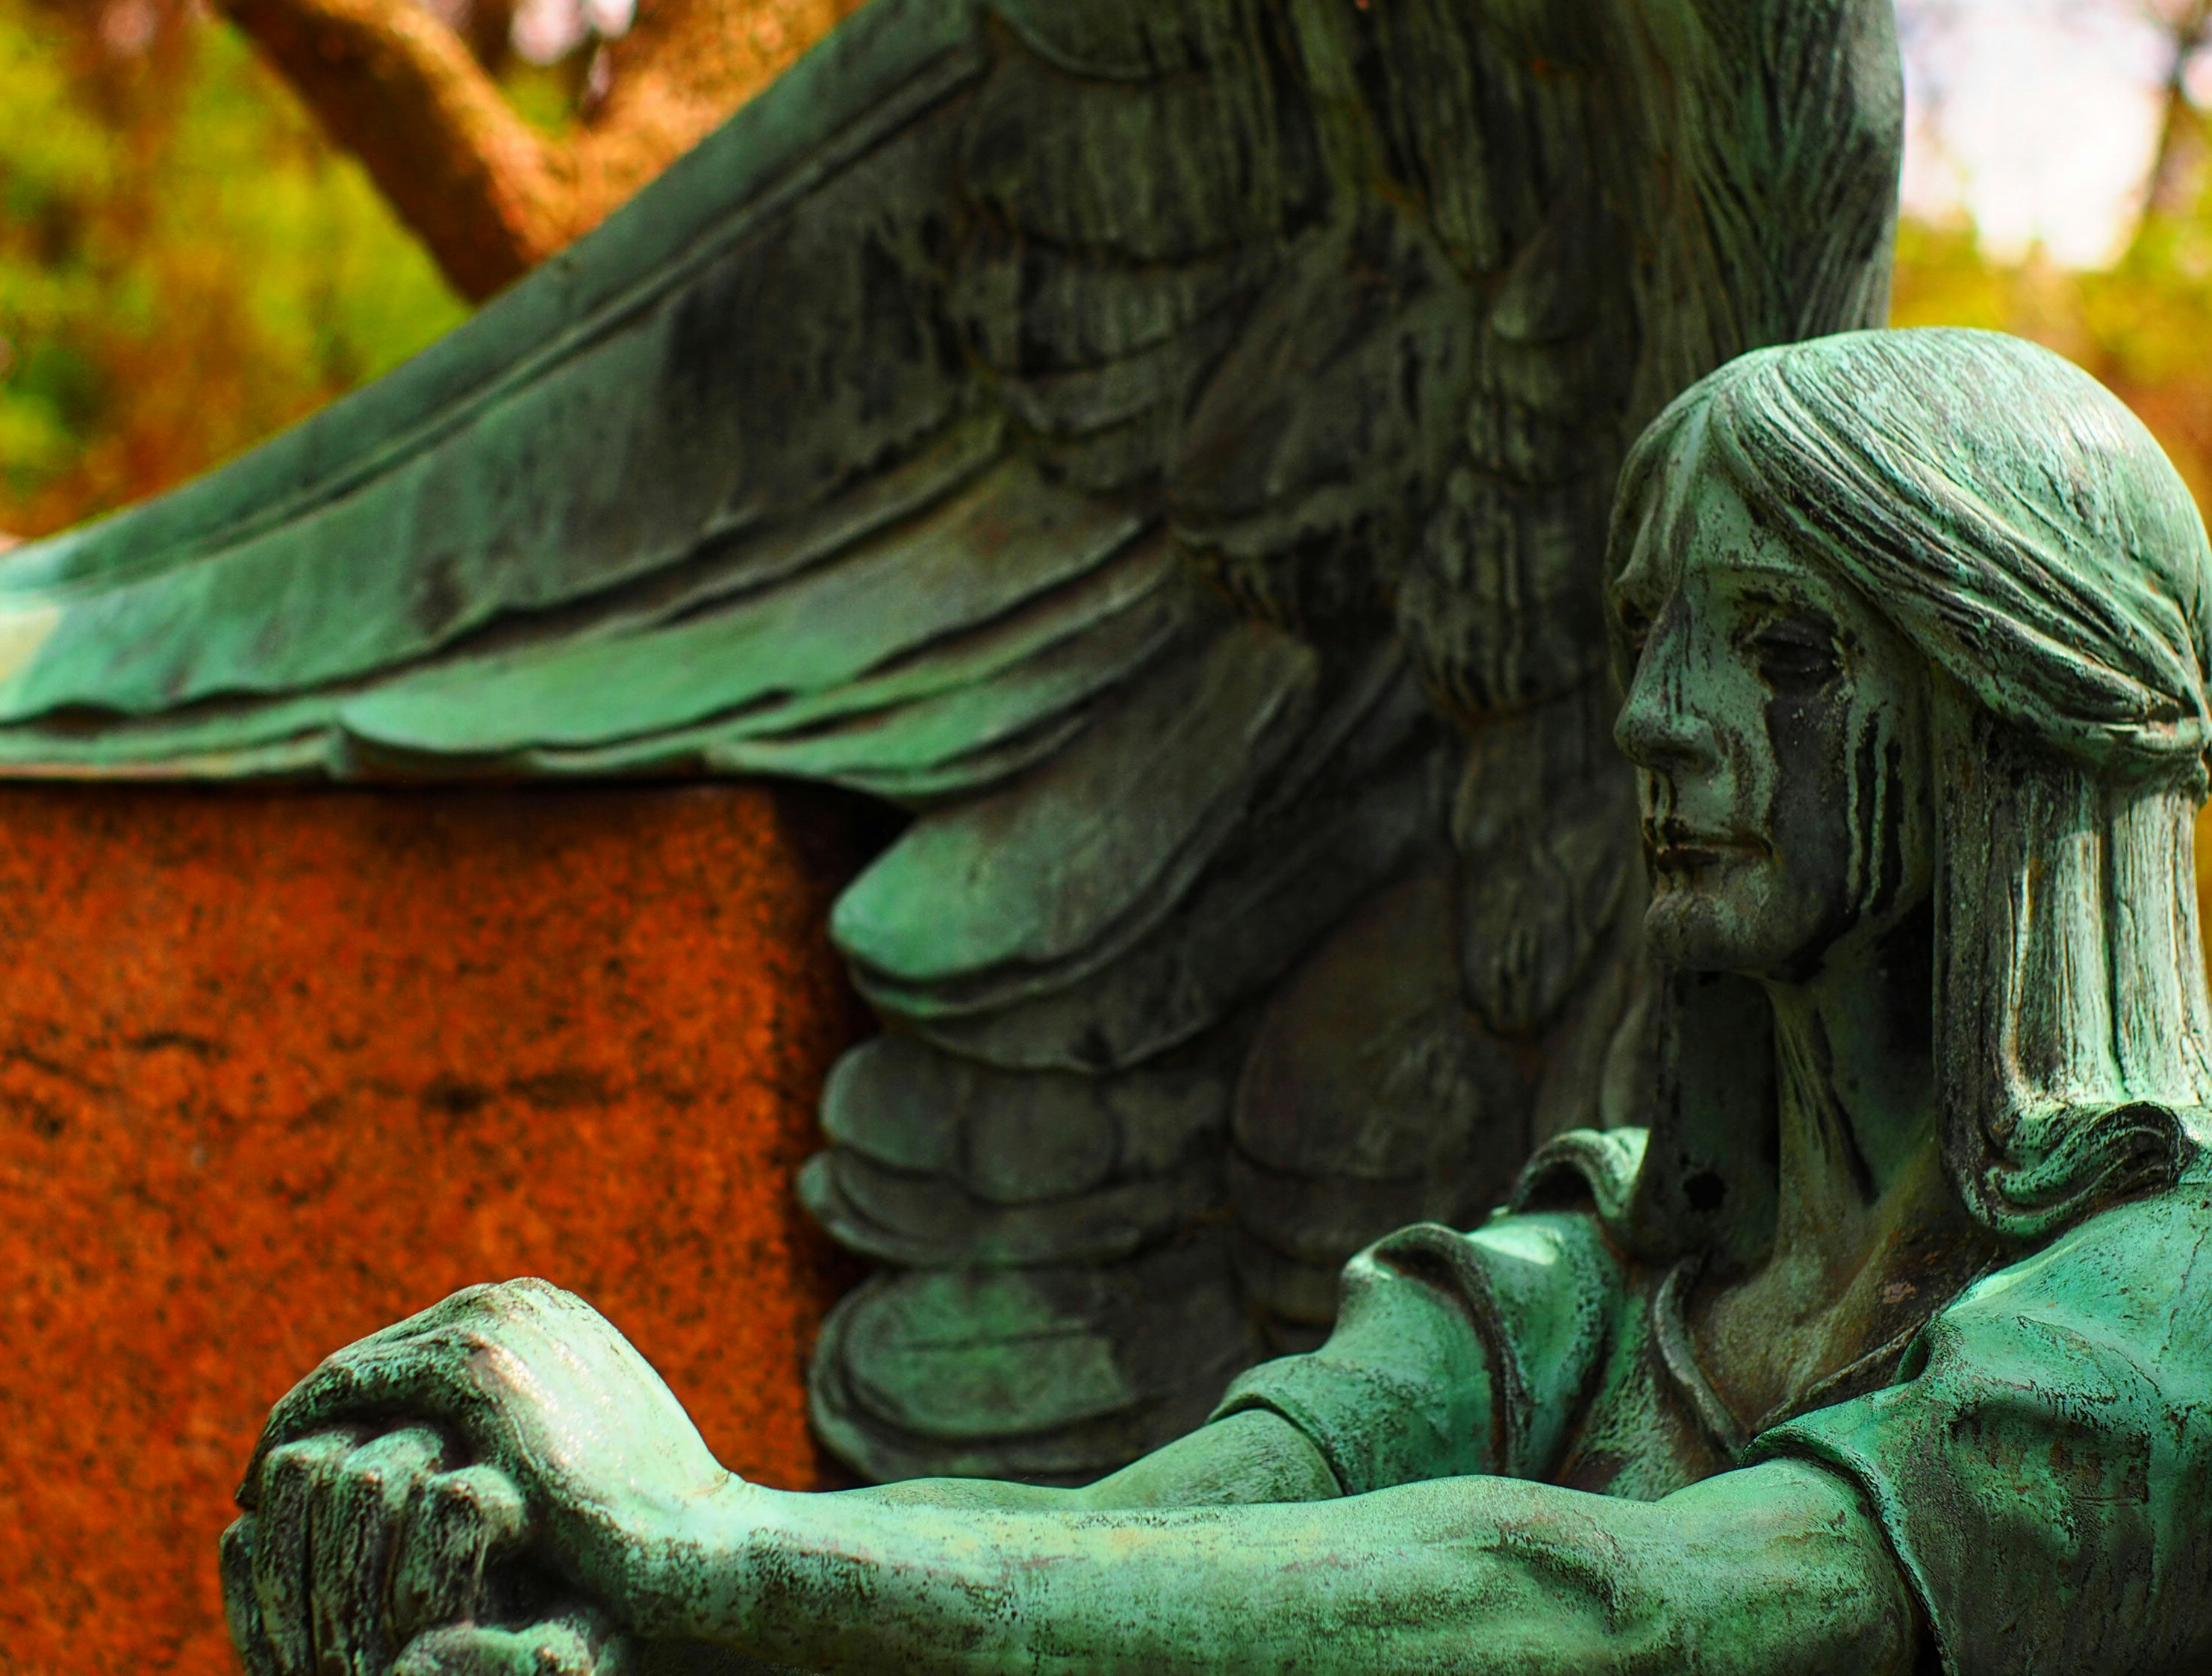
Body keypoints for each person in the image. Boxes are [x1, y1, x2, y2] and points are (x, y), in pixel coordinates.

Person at [220, 328, 2212, 1676]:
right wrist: (589, 1600)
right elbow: (1144, 1554)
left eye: (1778, 648)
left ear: (2009, 729)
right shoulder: (1588, 1277)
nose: (1655, 718)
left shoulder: (2158, 1323)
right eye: (1643, 632)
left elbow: (1613, 1610)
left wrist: (704, 1543)